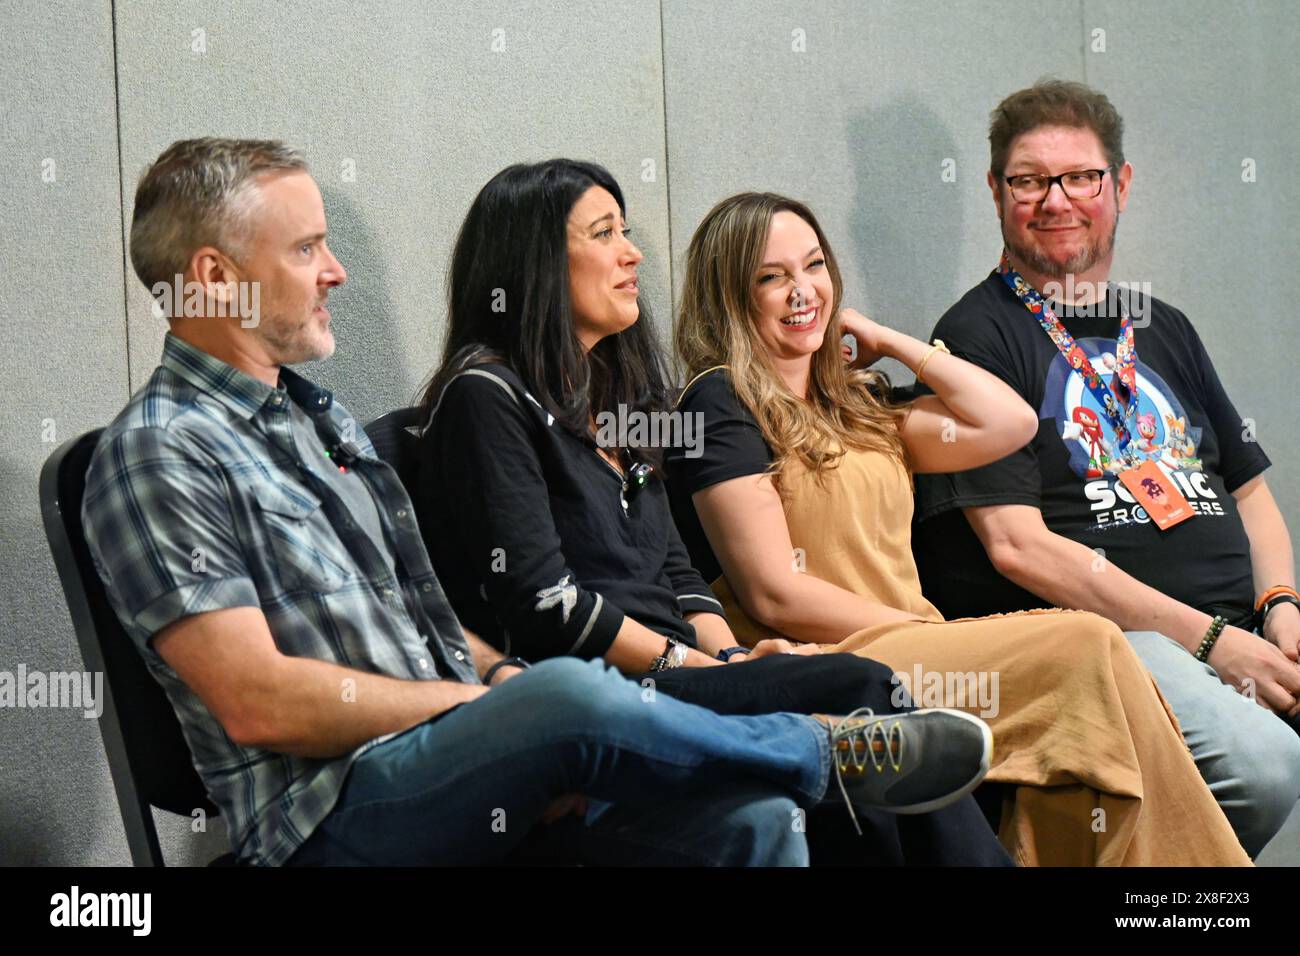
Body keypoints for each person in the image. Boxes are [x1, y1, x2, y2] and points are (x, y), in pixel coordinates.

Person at [79, 137, 986, 868]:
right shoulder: (161, 451)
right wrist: (494, 715)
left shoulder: (321, 422)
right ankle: (822, 751)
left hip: (457, 752)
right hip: (329, 813)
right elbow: (257, 702)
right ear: (212, 273)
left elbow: (428, 618)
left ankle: (788, 756)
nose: (337, 272)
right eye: (307, 247)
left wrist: (501, 693)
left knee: (746, 821)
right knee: (569, 694)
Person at [412, 158, 1006, 865]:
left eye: (626, 230)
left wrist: (729, 654)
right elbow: (543, 602)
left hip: (681, 668)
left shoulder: (619, 404)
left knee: (858, 766)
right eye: (604, 234)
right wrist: (689, 661)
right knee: (863, 685)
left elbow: (676, 568)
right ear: (535, 261)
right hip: (602, 689)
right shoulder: (487, 395)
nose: (633, 253)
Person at [668, 188, 1252, 865]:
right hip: (836, 665)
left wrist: (889, 341)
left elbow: (1008, 423)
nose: (803, 292)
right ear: (730, 296)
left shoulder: (860, 405)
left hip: (922, 649)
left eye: (814, 266)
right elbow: (775, 594)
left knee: (1080, 763)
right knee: (1086, 642)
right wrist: (928, 634)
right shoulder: (720, 403)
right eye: (772, 278)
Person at [907, 80, 1300, 857]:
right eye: (1029, 180)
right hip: (1105, 643)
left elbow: (1249, 493)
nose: (1057, 200)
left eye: (1081, 177)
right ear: (995, 192)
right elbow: (1017, 546)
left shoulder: (1163, 326)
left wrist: (1282, 607)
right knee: (1262, 767)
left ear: (1119, 184)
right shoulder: (975, 336)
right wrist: (1213, 641)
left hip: (1237, 632)